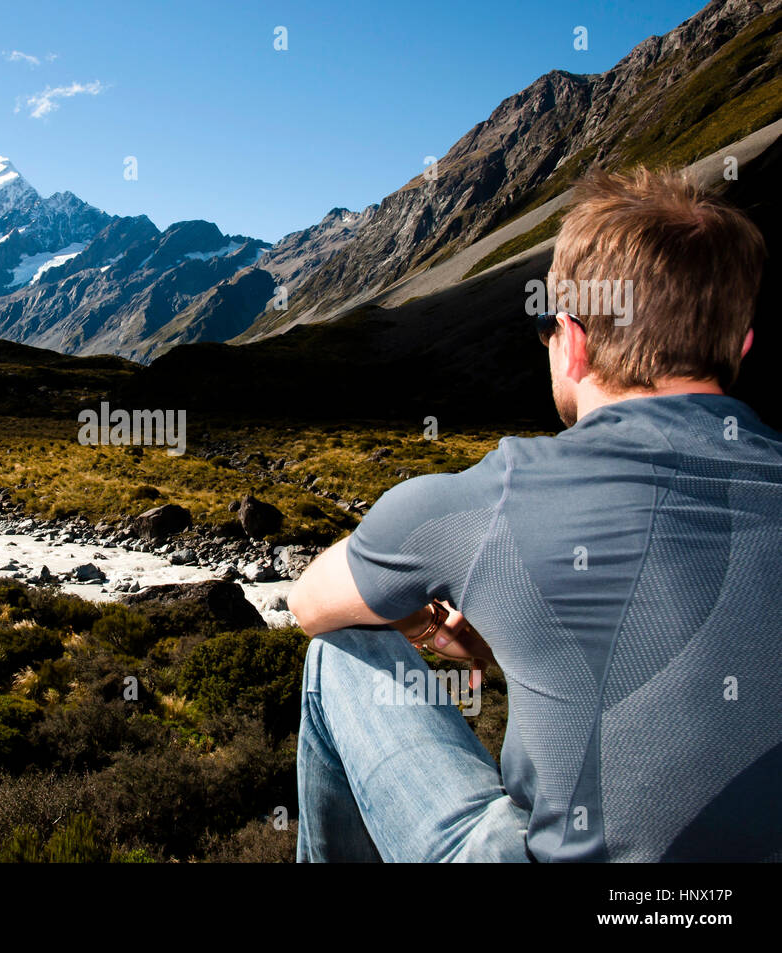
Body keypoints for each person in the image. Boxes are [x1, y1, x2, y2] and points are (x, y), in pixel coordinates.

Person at [287, 166, 778, 862]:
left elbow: (309, 603)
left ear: (572, 339)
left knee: (340, 651)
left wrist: (418, 616)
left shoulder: (498, 493)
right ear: (742, 346)